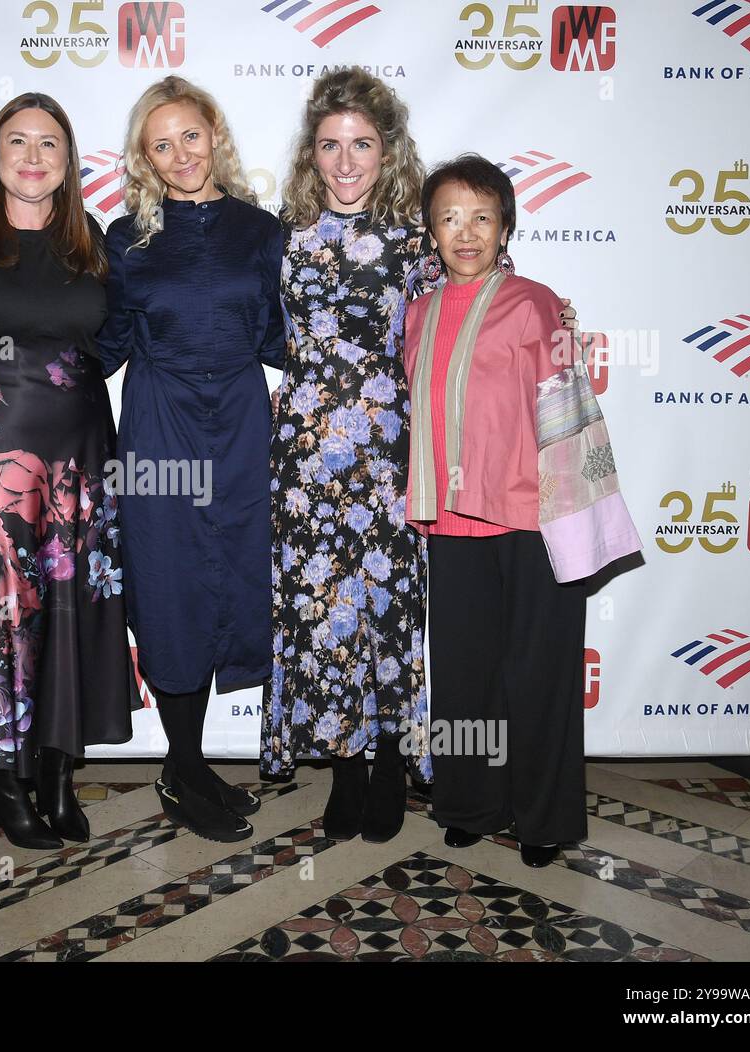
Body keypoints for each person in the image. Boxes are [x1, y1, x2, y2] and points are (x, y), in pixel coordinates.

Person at [403, 153, 642, 868]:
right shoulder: (414, 313)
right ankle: (470, 802)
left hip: (535, 518)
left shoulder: (537, 303)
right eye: (449, 218)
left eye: (481, 216)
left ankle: (542, 817)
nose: (465, 232)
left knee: (539, 672)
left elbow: (569, 414)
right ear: (430, 230)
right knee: (465, 674)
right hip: (452, 521)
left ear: (505, 225)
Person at [0, 94, 137, 850]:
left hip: (80, 452)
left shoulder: (92, 246)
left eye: (49, 144)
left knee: (70, 606)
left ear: (68, 162)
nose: (32, 156)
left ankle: (55, 768)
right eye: (17, 141)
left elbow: (111, 342)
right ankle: (0, 781)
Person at [97, 76, 284, 843]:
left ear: (216, 134)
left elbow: (287, 333)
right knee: (170, 584)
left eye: (190, 136)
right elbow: (99, 342)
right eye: (160, 143)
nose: (179, 154)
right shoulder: (125, 238)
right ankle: (181, 765)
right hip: (159, 423)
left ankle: (193, 765)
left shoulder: (263, 230)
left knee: (234, 576)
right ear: (145, 157)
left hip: (240, 420)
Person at [260, 69, 431, 845]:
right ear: (311, 154)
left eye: (361, 144)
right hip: (303, 460)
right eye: (330, 145)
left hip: (389, 452)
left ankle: (390, 757)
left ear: (387, 150)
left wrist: (548, 314)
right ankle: (347, 764)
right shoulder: (284, 237)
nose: (346, 161)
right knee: (322, 612)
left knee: (387, 609)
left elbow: (472, 315)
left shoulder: (419, 242)